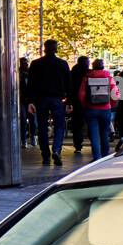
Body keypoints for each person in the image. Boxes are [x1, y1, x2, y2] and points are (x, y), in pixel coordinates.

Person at [26, 38, 71, 168]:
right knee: (59, 126)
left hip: (41, 99)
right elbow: (69, 84)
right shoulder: (62, 64)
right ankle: (56, 150)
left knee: (42, 127)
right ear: (55, 49)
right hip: (57, 99)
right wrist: (69, 100)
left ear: (44, 49)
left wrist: (31, 101)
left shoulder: (36, 64)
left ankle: (45, 155)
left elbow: (31, 84)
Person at [78, 58, 120, 160]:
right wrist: (112, 104)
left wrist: (85, 105)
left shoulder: (87, 78)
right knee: (104, 133)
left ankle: (96, 157)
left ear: (93, 66)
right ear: (103, 66)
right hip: (105, 109)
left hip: (91, 109)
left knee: (94, 134)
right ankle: (105, 157)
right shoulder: (109, 78)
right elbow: (116, 94)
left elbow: (81, 94)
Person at [67, 55, 89, 155]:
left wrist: (69, 102)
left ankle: (78, 146)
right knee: (90, 124)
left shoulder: (73, 73)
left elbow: (70, 89)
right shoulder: (89, 73)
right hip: (89, 102)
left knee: (77, 125)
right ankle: (95, 144)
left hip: (76, 103)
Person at [18, 58, 35, 148]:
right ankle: (24, 140)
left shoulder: (30, 73)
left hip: (30, 100)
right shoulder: (18, 73)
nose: (25, 65)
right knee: (23, 120)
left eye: (26, 63)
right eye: (23, 63)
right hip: (23, 100)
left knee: (32, 120)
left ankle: (32, 137)